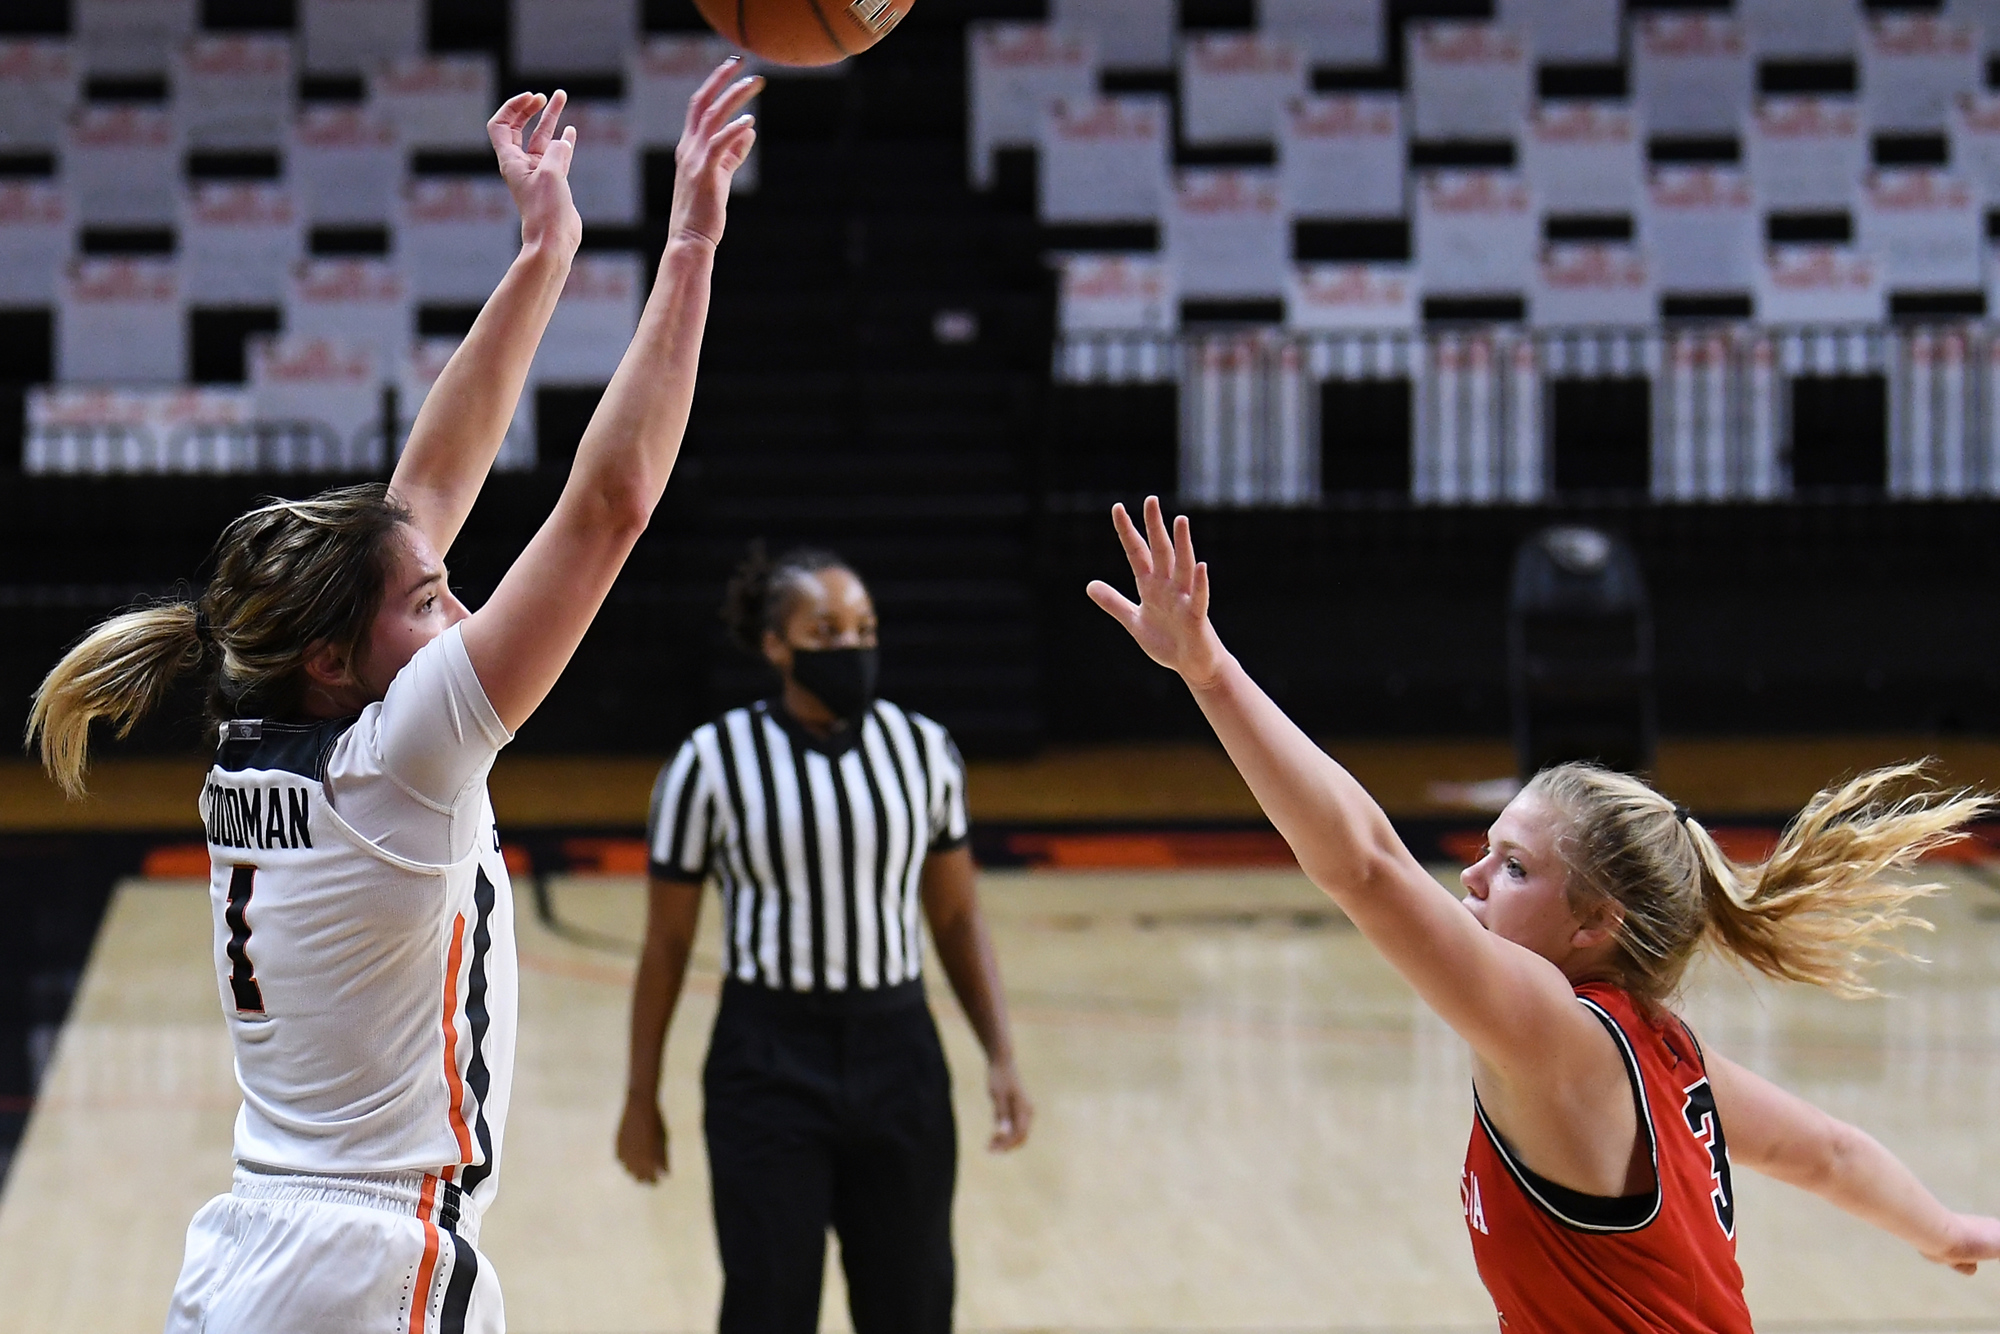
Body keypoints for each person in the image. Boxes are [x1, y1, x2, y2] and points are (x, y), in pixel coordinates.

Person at [26, 62, 761, 1333]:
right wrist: (690, 243)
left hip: (247, 1248)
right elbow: (610, 504)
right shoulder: (397, 766)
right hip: (368, 1266)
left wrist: (545, 253)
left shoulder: (262, 740)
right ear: (333, 656)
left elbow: (419, 498)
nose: (461, 612)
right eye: (431, 602)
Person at [1087, 496, 2000, 1331]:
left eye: (1515, 867)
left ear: (1593, 925)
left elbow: (1366, 867)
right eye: (1489, 848)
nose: (1474, 876)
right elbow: (1828, 1154)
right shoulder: (1664, 1051)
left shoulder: (1556, 1038)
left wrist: (1212, 674)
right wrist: (1945, 1229)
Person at [617, 543, 1032, 1334]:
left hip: (899, 1053)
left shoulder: (924, 751)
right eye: (828, 630)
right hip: (766, 1059)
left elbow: (956, 918)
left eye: (864, 629)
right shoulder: (709, 763)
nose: (851, 646)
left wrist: (1001, 1055)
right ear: (777, 644)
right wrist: (642, 1095)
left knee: (913, 1305)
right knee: (768, 1305)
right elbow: (665, 944)